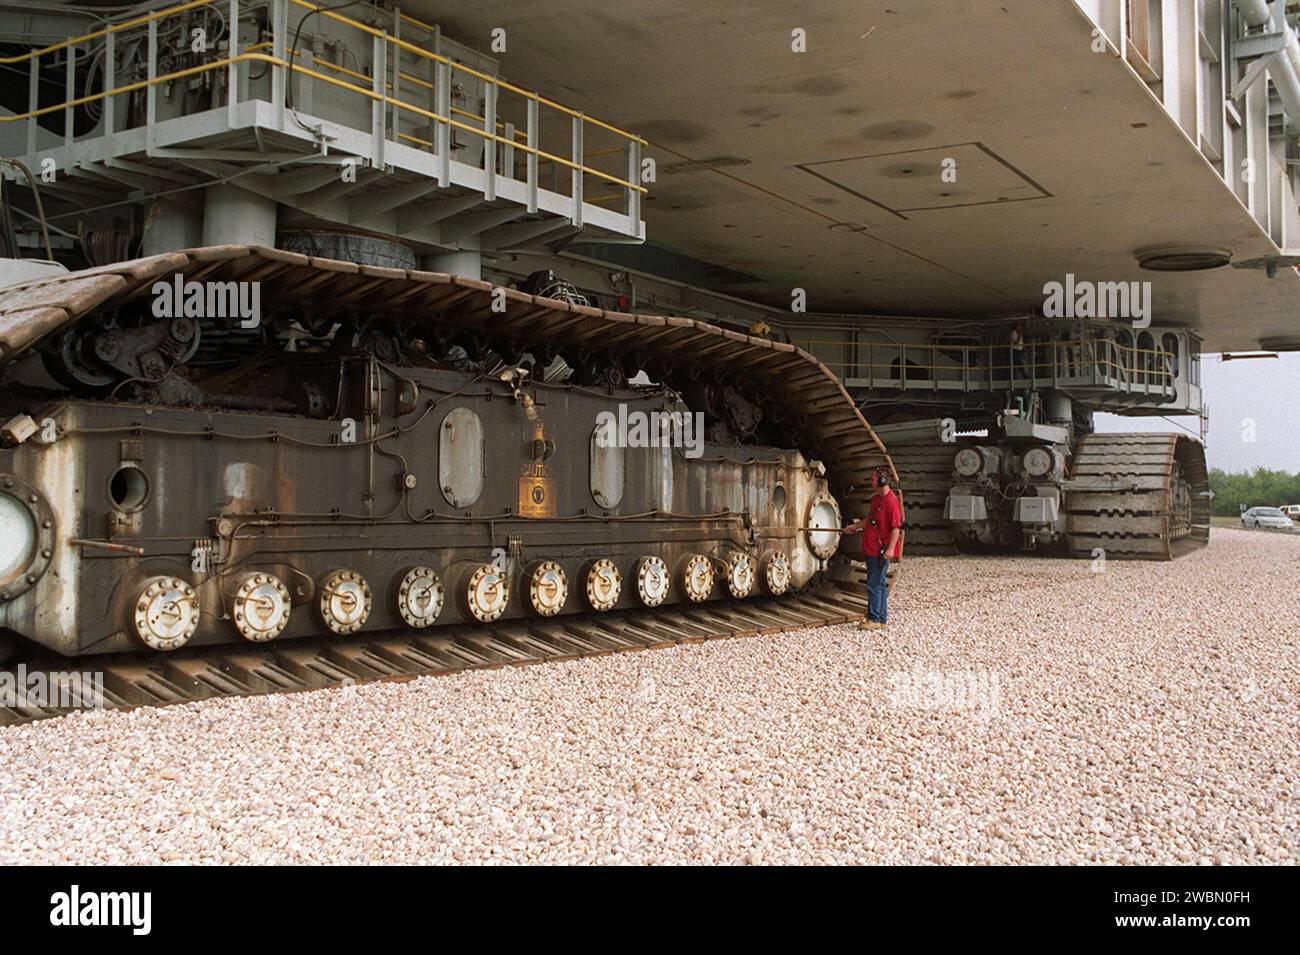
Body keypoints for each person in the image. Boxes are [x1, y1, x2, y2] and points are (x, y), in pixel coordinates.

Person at [841, 467, 902, 629]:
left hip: (880, 551)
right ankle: (881, 619)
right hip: (871, 548)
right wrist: (855, 526)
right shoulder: (876, 499)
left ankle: (874, 619)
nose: (872, 481)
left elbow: (896, 528)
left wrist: (890, 549)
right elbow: (870, 519)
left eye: (874, 479)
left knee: (874, 584)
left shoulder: (891, 502)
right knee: (879, 583)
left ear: (882, 481)